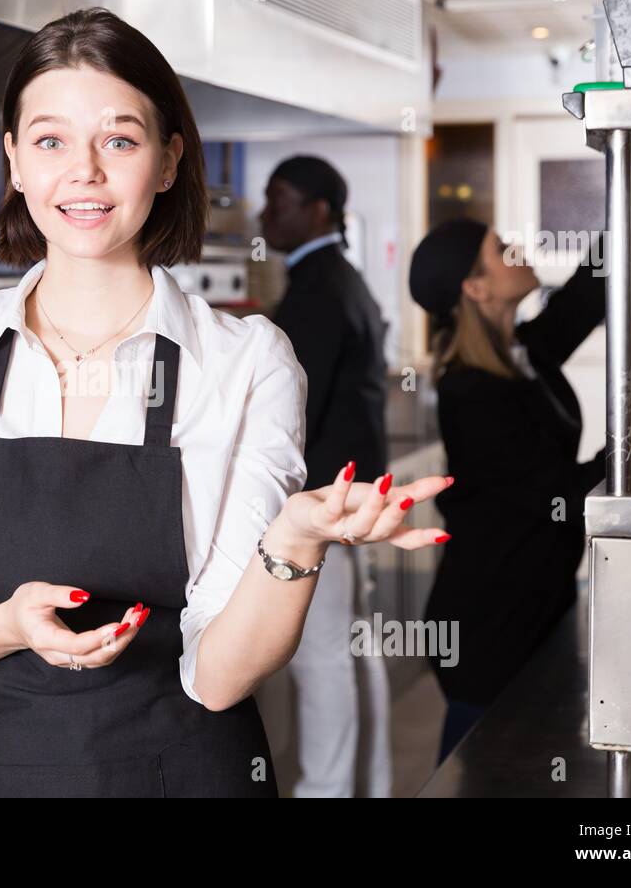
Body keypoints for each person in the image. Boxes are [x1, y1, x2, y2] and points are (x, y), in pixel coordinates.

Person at [0, 7, 451, 798]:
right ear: (16, 162)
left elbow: (218, 676)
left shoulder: (242, 362)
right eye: (51, 140)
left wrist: (296, 540)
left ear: (168, 161)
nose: (84, 172)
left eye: (120, 140)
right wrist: (4, 626)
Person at [409, 170, 631, 762]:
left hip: (535, 599)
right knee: (478, 769)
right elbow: (556, 492)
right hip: (487, 622)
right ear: (477, 288)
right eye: (500, 248)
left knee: (521, 762)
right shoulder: (469, 392)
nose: (519, 249)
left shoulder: (524, 351)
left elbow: (590, 290)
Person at [255, 155, 391, 797]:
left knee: (323, 660)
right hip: (351, 497)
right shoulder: (344, 277)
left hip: (326, 503)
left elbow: (290, 414)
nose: (263, 213)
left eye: (277, 200)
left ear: (316, 210)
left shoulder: (314, 287)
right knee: (353, 655)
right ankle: (368, 784)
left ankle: (325, 791)